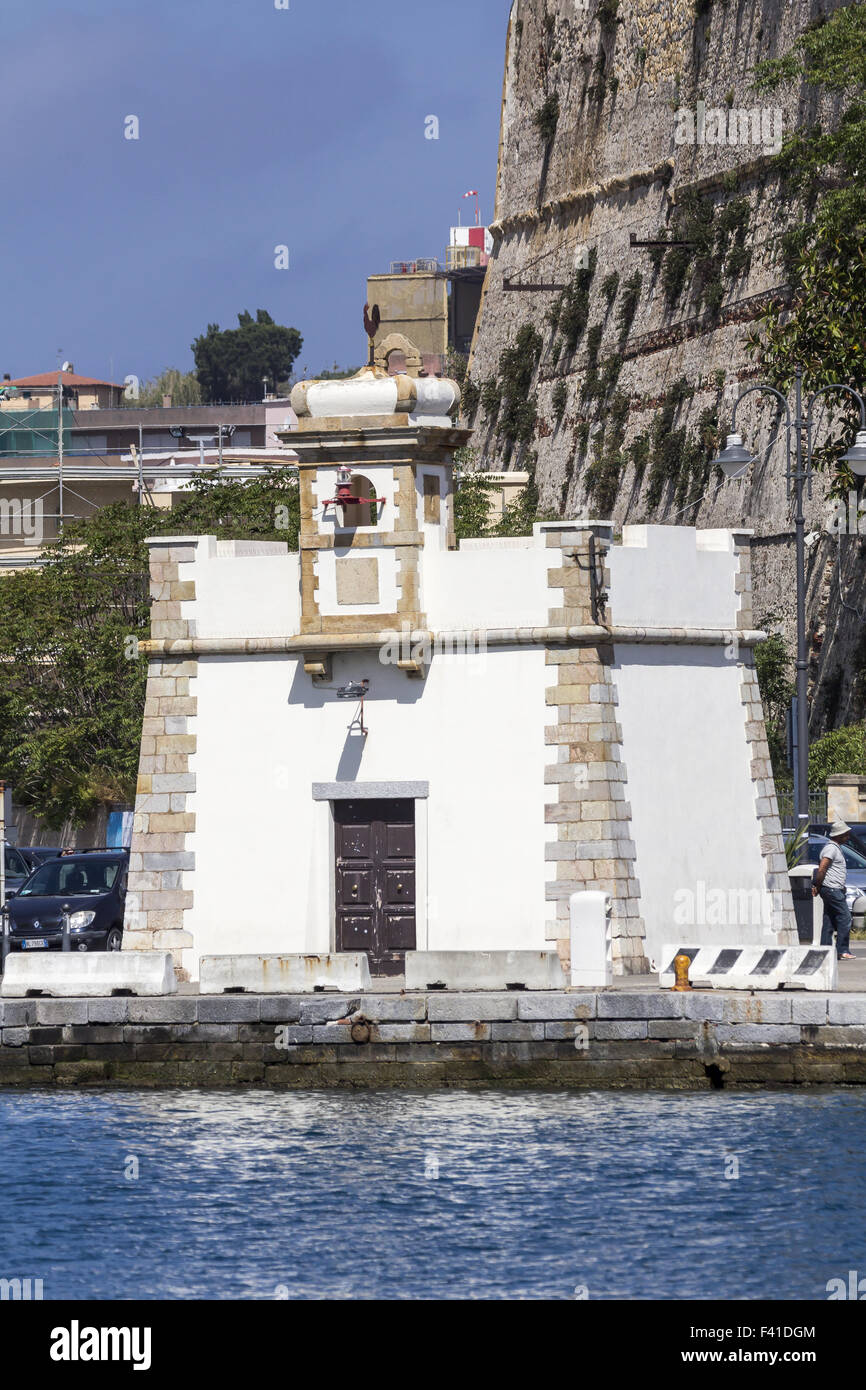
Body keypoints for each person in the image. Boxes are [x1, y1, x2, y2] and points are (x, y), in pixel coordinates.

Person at [813, 821, 856, 961]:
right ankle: (842, 950)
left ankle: (824, 951)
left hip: (832, 888)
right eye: (845, 834)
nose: (848, 836)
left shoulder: (835, 847)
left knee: (830, 920)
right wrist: (817, 885)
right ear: (839, 835)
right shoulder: (831, 849)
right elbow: (822, 868)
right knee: (845, 918)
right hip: (831, 889)